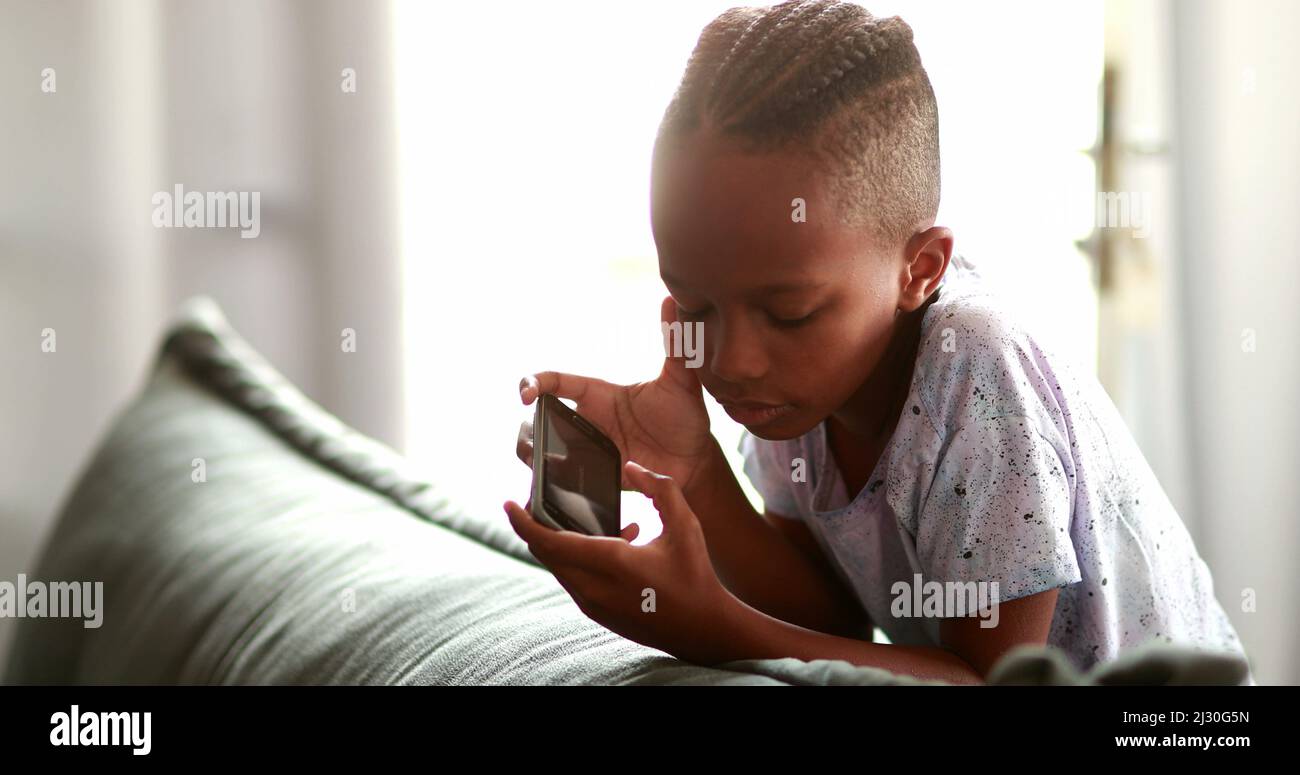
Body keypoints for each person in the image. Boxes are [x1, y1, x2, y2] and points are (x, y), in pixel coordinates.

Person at [504, 0, 1252, 684]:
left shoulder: (974, 368)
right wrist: (697, 468)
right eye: (696, 302)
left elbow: (986, 680)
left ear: (919, 268)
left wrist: (718, 626)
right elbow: (827, 618)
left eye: (790, 312)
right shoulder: (799, 388)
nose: (731, 361)